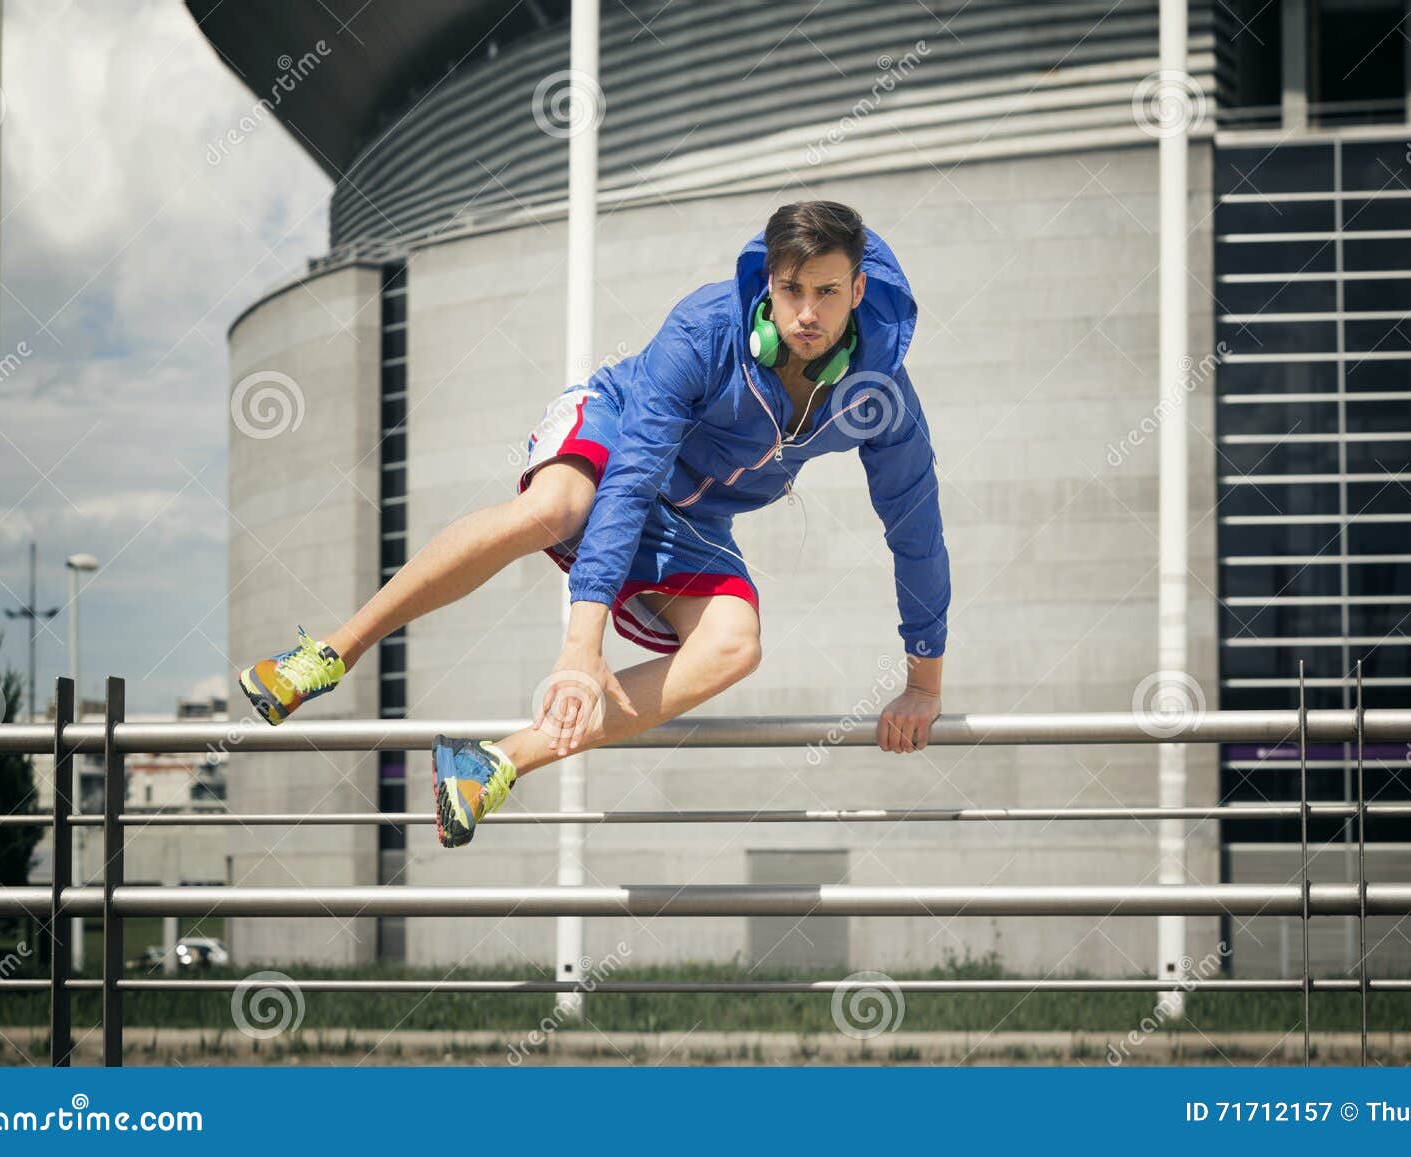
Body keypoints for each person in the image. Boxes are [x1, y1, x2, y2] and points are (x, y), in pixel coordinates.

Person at [238, 200, 950, 849]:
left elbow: (914, 525)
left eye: (828, 292)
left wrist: (923, 682)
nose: (807, 313)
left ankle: (497, 759)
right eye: (792, 290)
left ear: (858, 291)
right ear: (768, 282)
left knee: (735, 646)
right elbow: (634, 474)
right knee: (558, 508)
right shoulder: (705, 328)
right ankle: (331, 652)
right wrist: (583, 644)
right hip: (619, 430)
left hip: (693, 518)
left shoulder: (878, 393)